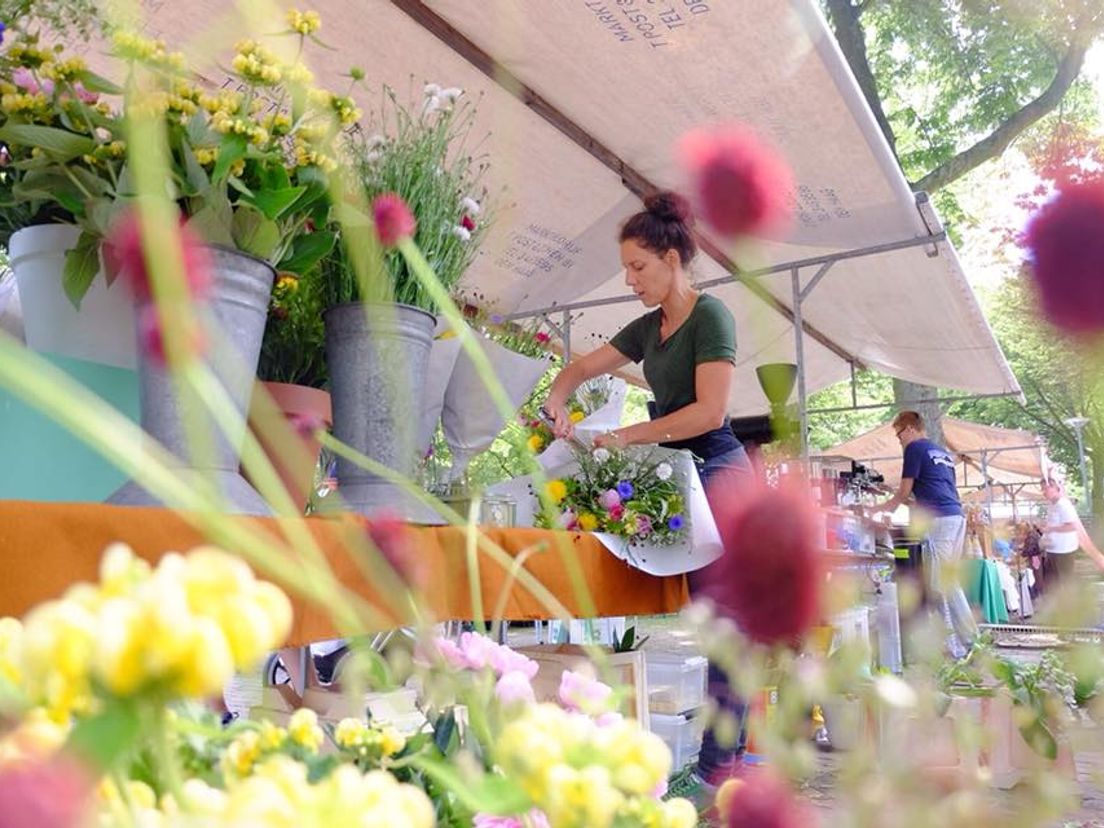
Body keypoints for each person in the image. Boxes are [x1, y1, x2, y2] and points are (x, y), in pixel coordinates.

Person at [544, 190, 751, 787]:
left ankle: (717, 771)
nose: (630, 279)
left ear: (671, 259)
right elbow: (581, 367)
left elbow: (710, 414)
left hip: (716, 468)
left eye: (639, 267)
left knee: (723, 628)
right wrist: (556, 403)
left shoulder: (710, 316)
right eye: (627, 268)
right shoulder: (647, 327)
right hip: (674, 473)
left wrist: (627, 436)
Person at [869, 410, 977, 658]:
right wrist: (892, 495)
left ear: (909, 429)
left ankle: (962, 647)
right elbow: (926, 496)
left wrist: (875, 509)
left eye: (899, 436)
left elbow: (904, 494)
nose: (899, 441)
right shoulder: (942, 454)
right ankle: (966, 642)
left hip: (940, 521)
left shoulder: (914, 449)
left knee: (940, 585)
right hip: (955, 517)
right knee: (948, 582)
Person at [1042, 477, 1104, 584]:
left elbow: (1072, 526)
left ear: (1055, 488)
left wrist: (1051, 529)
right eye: (1042, 489)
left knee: (1064, 583)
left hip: (1063, 551)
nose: (1043, 492)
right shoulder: (1052, 505)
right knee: (1055, 583)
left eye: (1045, 489)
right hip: (1054, 550)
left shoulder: (1063, 505)